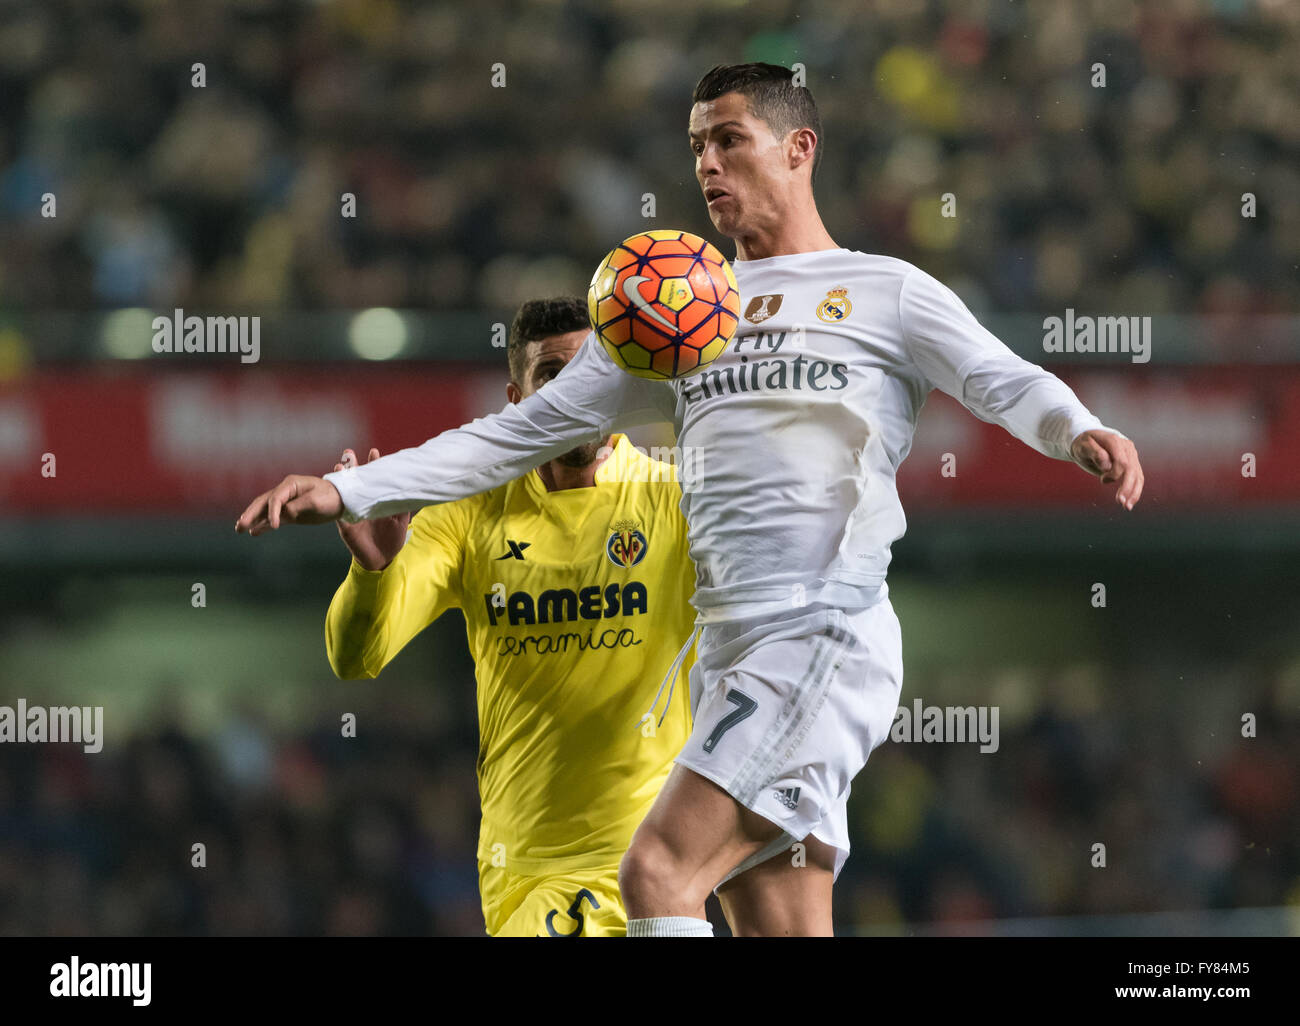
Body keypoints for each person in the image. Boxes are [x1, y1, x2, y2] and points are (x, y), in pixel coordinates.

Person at [237, 63, 1144, 937]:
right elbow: (513, 435)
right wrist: (350, 486)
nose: (706, 163)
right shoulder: (674, 313)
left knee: (657, 871)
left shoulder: (884, 291)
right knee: (778, 924)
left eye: (729, 140)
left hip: (818, 631)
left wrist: (1077, 430)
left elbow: (998, 377)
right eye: (697, 145)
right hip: (726, 653)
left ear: (799, 148)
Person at [323, 296, 696, 936]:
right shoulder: (467, 510)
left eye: (592, 374)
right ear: (517, 397)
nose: (578, 395)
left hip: (646, 855)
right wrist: (375, 570)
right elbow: (357, 658)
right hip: (520, 863)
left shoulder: (674, 497)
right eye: (554, 377)